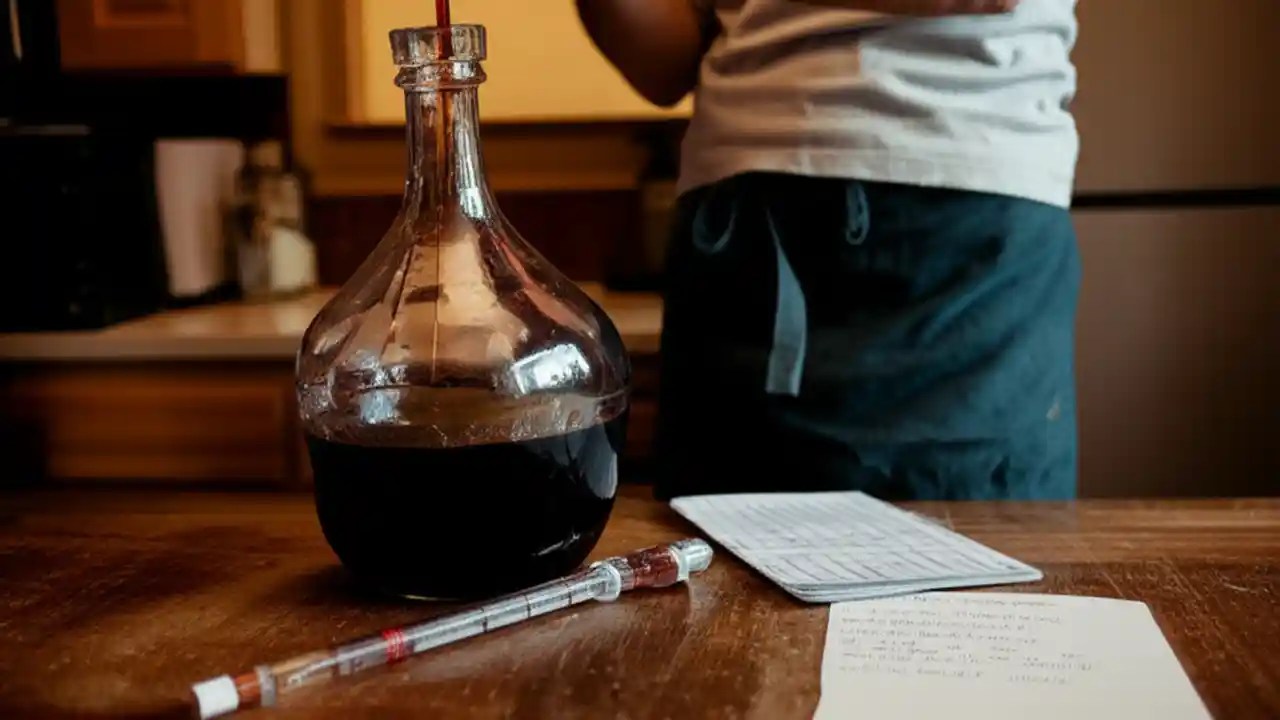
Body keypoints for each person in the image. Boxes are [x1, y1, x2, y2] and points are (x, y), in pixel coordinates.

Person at [576, 0, 1082, 501]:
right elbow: (665, 67)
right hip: (740, 226)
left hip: (961, 221)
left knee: (986, 560)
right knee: (726, 567)